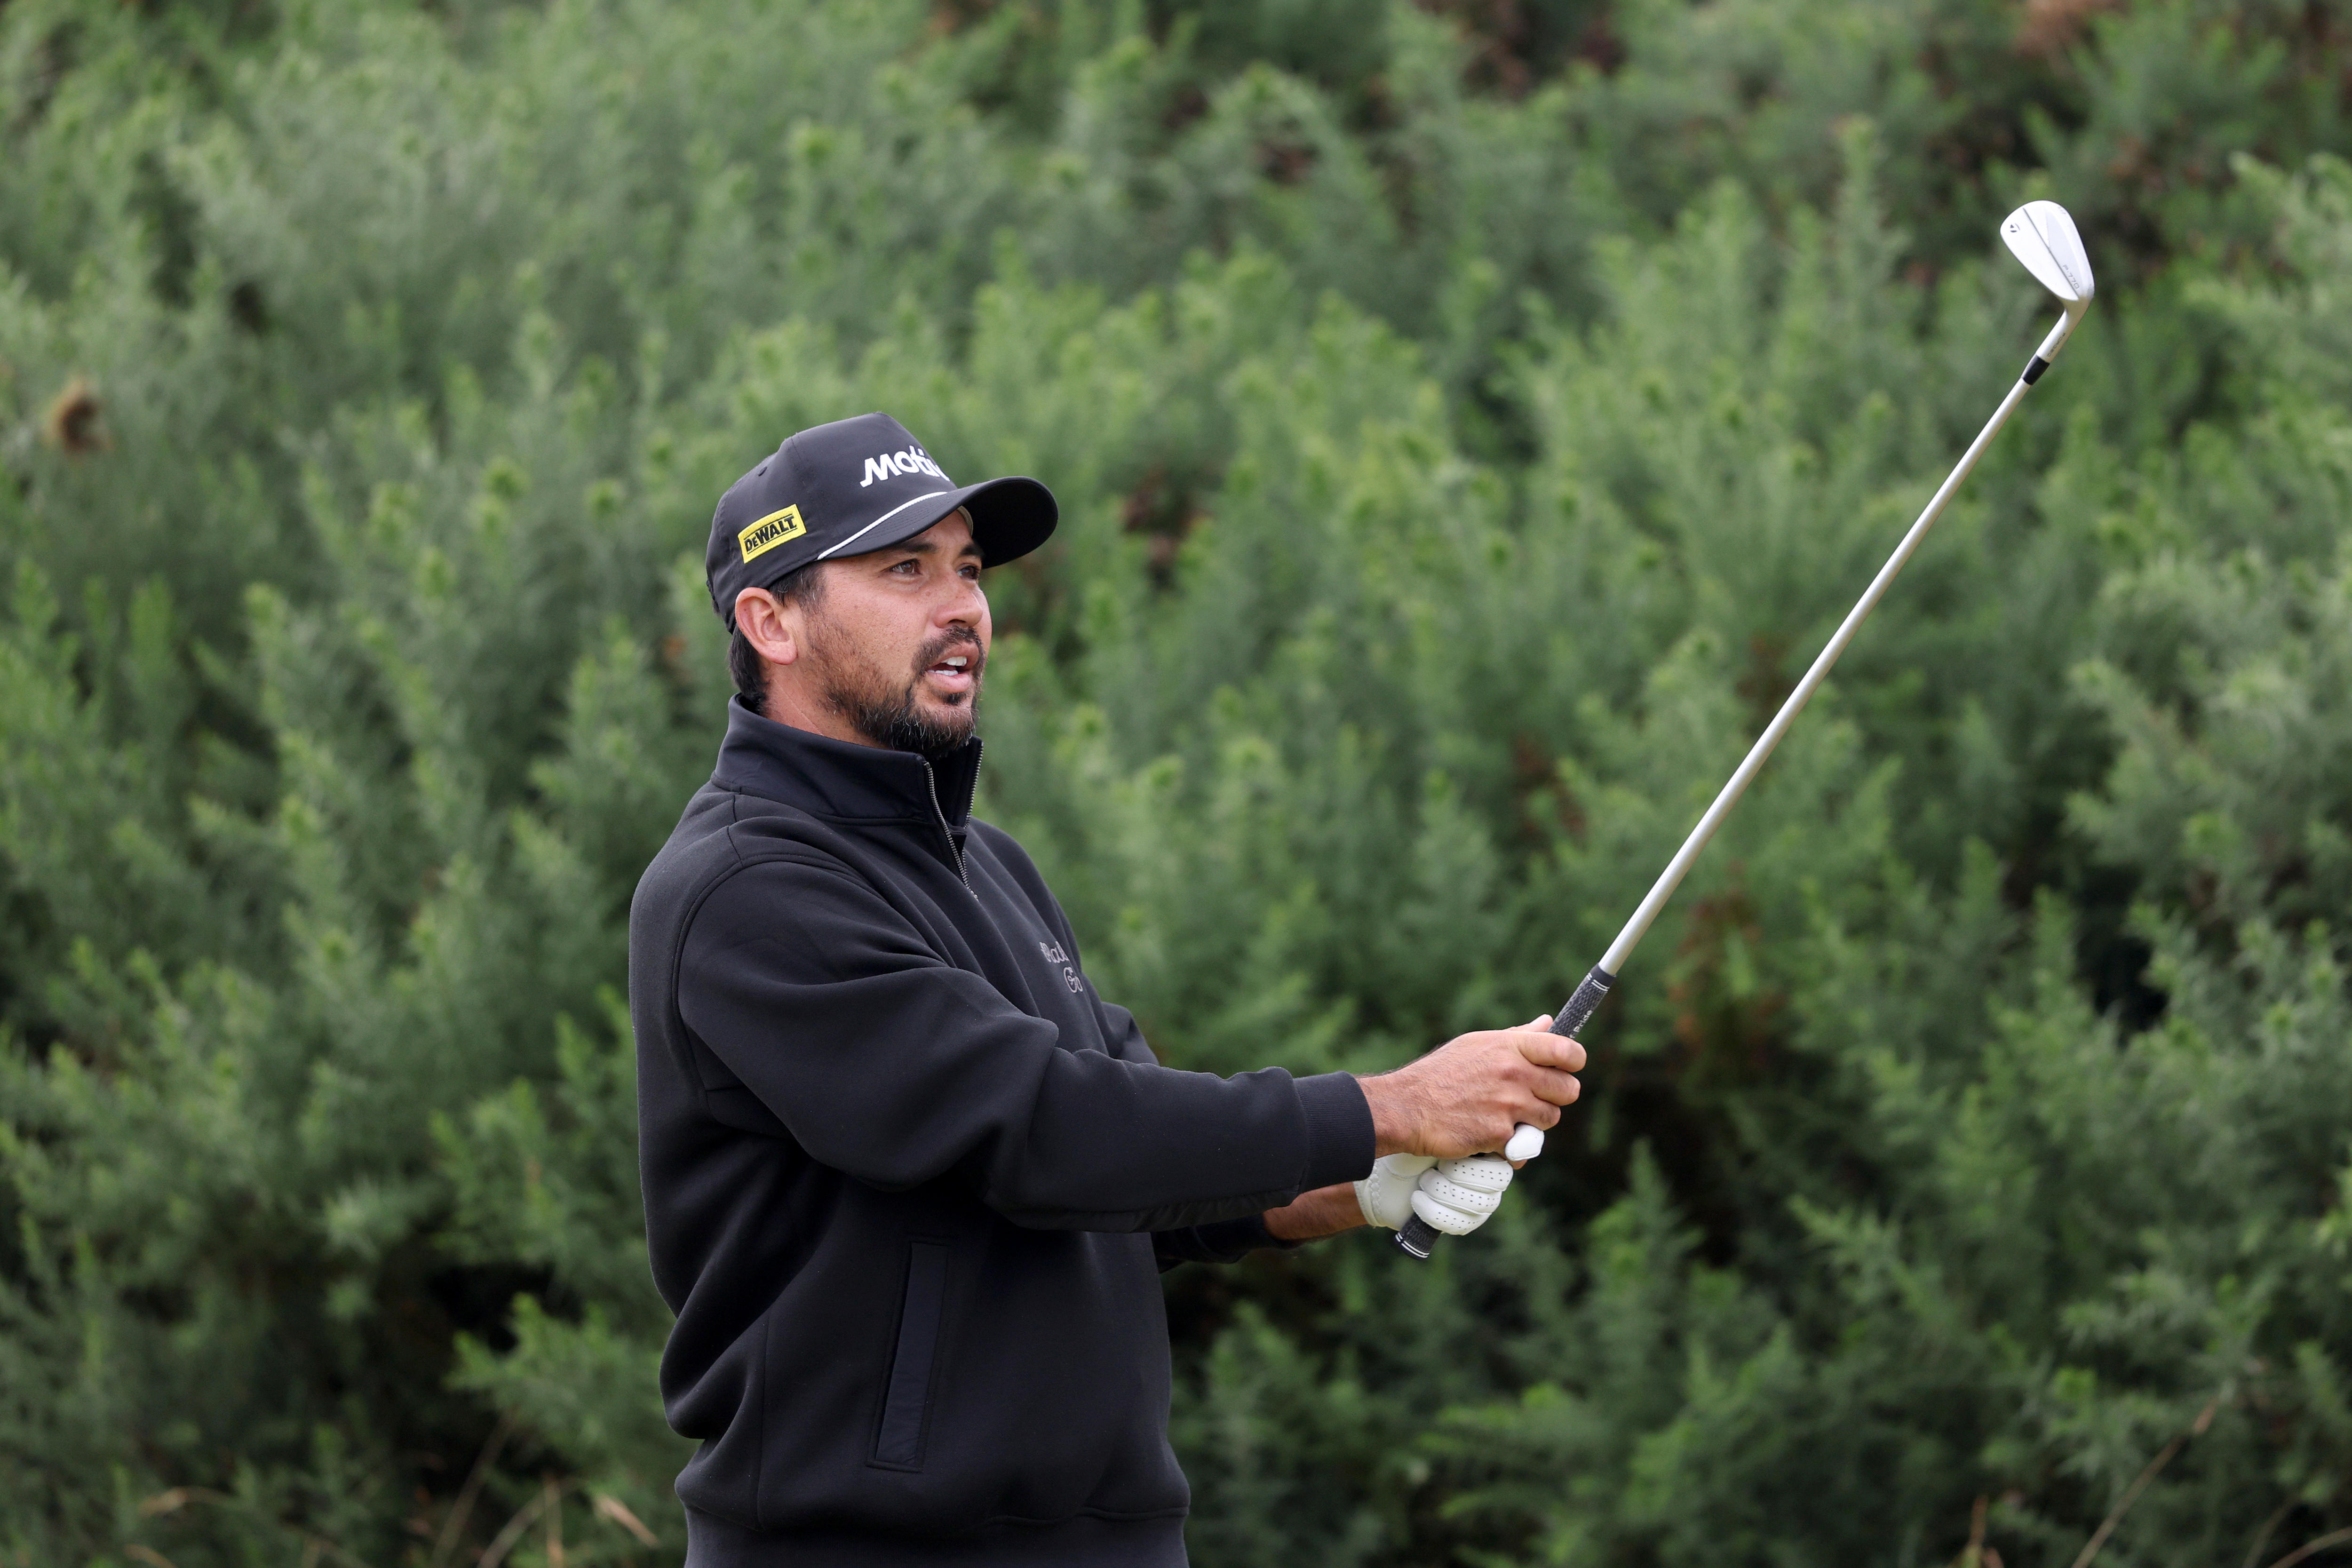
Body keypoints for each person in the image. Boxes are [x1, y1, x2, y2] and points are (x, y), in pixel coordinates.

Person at [629, 413, 1586, 1568]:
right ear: (769, 619)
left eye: (969, 568)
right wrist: (1388, 1103)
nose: (963, 606)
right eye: (903, 569)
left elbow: (1132, 1141)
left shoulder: (985, 864)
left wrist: (1356, 1183)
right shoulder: (747, 888)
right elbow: (1040, 1129)